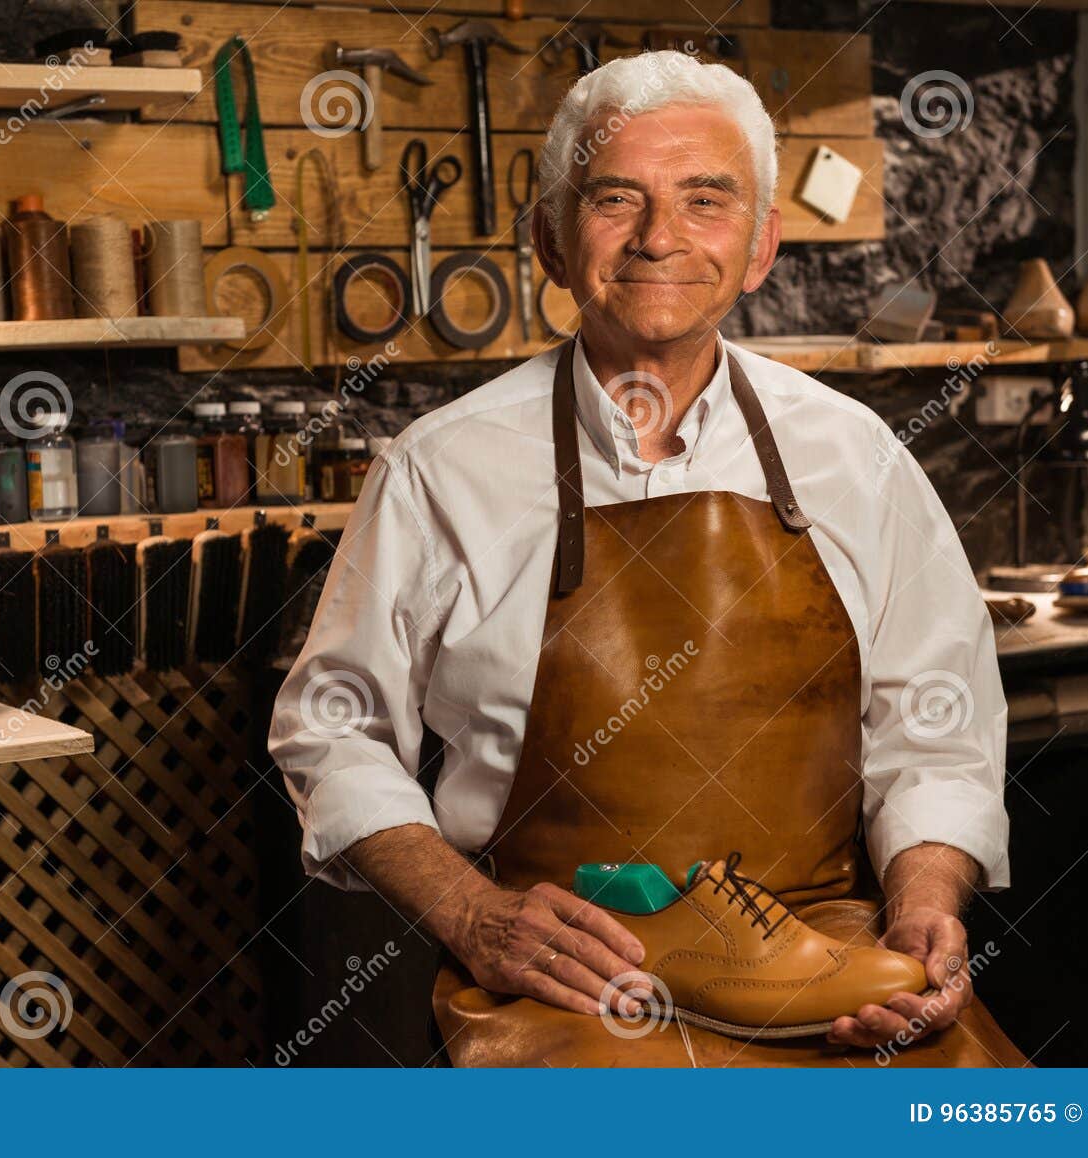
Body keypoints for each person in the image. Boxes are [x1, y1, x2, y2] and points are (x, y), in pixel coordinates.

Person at [271, 50, 1014, 1066]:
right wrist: (472, 913)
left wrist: (920, 910)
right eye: (617, 198)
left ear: (760, 246)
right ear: (549, 239)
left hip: (822, 954)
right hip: (568, 968)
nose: (661, 237)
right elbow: (333, 732)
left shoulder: (854, 458)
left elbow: (937, 729)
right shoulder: (440, 469)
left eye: (706, 201)